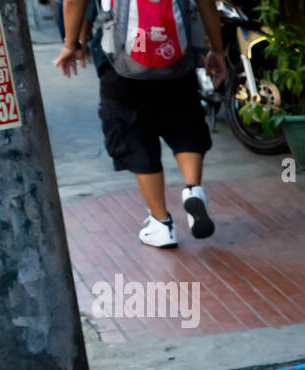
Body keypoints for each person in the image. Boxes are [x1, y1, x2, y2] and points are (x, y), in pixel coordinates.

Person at [54, 0, 226, 248]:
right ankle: (193, 189)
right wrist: (216, 50)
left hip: (120, 59)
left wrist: (71, 44)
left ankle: (161, 223)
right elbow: (206, 3)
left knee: (134, 134)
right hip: (175, 55)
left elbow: (72, 2)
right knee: (184, 120)